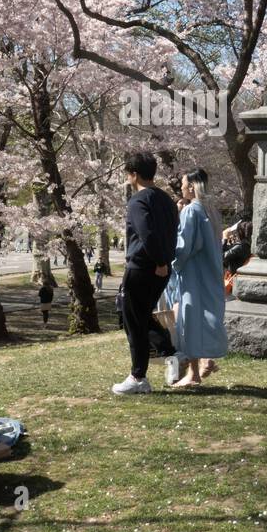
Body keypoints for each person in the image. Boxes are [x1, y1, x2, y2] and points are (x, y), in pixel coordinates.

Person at [112, 151, 180, 395]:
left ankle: (138, 376)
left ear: (134, 175)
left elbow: (146, 234)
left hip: (143, 266)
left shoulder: (139, 201)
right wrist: (165, 261)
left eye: (128, 174)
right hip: (161, 268)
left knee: (134, 323)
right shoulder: (167, 200)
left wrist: (160, 260)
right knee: (141, 318)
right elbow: (173, 232)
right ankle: (166, 355)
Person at [170, 168, 229, 387]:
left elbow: (184, 246)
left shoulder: (191, 211)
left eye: (184, 184)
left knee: (191, 320)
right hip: (211, 271)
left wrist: (172, 262)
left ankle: (193, 373)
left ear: (192, 186)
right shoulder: (211, 210)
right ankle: (206, 360)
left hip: (193, 274)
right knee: (208, 317)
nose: (182, 188)